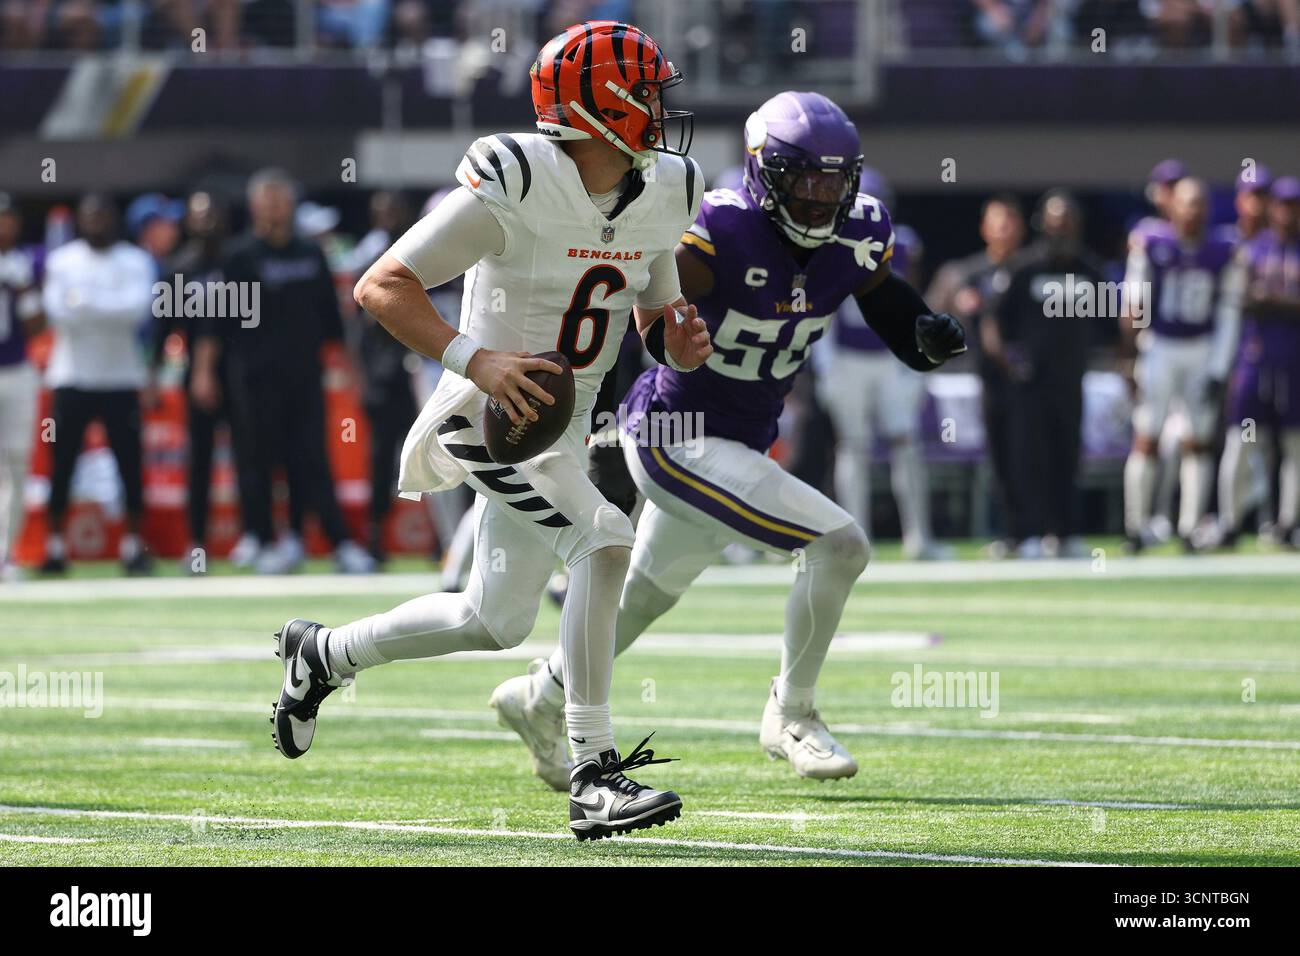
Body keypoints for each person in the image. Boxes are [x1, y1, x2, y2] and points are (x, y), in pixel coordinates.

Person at [269, 21, 711, 840]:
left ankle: (321, 654)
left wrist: (673, 340)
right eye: (644, 92)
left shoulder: (667, 186)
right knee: (606, 541)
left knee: (493, 620)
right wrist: (480, 362)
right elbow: (382, 285)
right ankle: (594, 773)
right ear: (598, 105)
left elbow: (652, 306)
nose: (659, 107)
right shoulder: (516, 176)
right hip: (491, 417)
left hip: (565, 422)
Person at [492, 91, 965, 787]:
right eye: (804, 179)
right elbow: (636, 305)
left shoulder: (859, 232)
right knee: (838, 545)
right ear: (764, 174)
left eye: (833, 181)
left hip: (737, 445)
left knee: (646, 594)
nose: (819, 197)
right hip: (675, 437)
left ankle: (540, 698)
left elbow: (891, 308)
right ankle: (792, 712)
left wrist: (925, 338)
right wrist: (602, 428)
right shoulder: (717, 229)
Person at [191, 169, 375, 575]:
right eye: (267, 200)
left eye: (281, 200)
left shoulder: (310, 256)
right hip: (252, 379)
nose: (274, 208)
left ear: (292, 205)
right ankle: (260, 538)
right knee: (255, 460)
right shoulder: (238, 256)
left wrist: (354, 373)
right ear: (255, 206)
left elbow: (334, 324)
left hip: (304, 377)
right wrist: (203, 371)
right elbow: (213, 324)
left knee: (311, 458)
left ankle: (332, 543)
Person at [820, 167, 950, 560]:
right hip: (848, 357)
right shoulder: (830, 241)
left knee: (905, 443)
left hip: (888, 356)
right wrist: (824, 360)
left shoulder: (903, 243)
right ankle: (858, 538)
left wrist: (912, 358)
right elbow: (822, 305)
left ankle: (918, 536)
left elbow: (909, 300)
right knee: (853, 447)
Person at [1121, 177, 1243, 552]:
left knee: (1198, 441)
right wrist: (1133, 353)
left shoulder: (1224, 249)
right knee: (1147, 436)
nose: (1192, 211)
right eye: (1186, 203)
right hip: (1160, 345)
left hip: (1201, 347)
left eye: (1199, 203)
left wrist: (1220, 368)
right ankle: (1135, 527)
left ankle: (1190, 527)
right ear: (1172, 205)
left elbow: (1229, 311)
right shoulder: (1152, 242)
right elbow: (1134, 301)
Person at [982, 190, 1106, 558]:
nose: (1061, 231)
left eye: (1068, 224)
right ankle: (1026, 534)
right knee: (1026, 459)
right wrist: (1008, 362)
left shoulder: (1090, 270)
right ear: (1042, 226)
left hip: (1070, 381)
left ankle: (1064, 533)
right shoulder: (1024, 267)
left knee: (1067, 457)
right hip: (1029, 384)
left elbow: (1115, 322)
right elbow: (993, 320)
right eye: (1055, 223)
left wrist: (1124, 354)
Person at [40, 194, 156, 575]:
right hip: (72, 376)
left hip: (121, 377)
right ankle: (54, 547)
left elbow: (135, 310)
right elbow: (58, 314)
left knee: (129, 463)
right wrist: (103, 307)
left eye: (104, 215)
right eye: (90, 215)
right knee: (62, 463)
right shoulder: (62, 260)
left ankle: (133, 546)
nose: (97, 222)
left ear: (114, 219)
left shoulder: (135, 260)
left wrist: (86, 304)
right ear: (80, 220)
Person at [929, 195, 1027, 554]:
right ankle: (1010, 533)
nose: (1004, 229)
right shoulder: (965, 274)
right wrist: (955, 306)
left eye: (1011, 221)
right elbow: (928, 319)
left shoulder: (1032, 270)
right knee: (998, 458)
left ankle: (1045, 530)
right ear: (984, 228)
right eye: (997, 221)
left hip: (1031, 380)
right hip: (984, 380)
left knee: (1033, 455)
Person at [1217, 176, 1300, 548]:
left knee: (1294, 444)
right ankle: (1230, 522)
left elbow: (1261, 299)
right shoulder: (1253, 248)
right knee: (1244, 440)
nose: (1288, 212)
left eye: (1294, 205)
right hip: (1256, 359)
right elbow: (1239, 298)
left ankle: (1287, 523)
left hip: (1294, 362)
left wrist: (1273, 301)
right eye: (1283, 204)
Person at [0, 194, 43, 581]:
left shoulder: (26, 261)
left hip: (17, 370)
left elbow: (35, 327)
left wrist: (23, 288)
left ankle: (6, 552)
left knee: (15, 463)